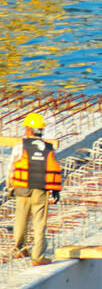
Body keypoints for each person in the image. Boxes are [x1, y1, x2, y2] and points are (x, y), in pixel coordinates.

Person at [6, 113, 63, 266]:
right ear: (41, 130)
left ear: (28, 130)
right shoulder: (49, 148)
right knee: (39, 223)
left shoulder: (20, 146)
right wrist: (56, 190)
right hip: (41, 190)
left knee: (20, 218)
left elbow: (11, 167)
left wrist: (9, 186)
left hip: (22, 187)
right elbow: (54, 167)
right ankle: (37, 256)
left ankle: (19, 249)